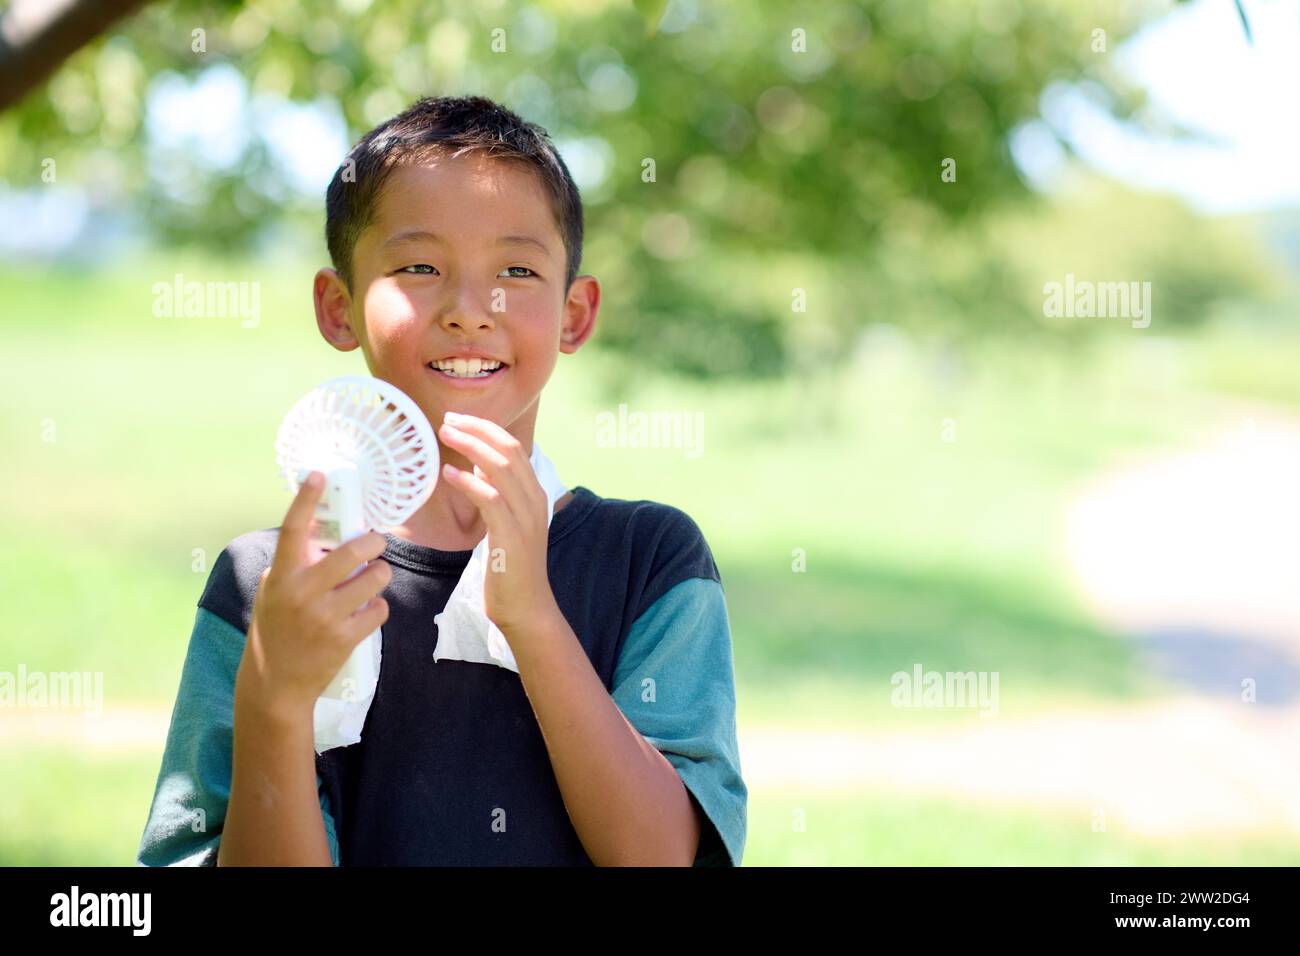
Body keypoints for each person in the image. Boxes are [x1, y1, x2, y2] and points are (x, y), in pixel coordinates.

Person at [136, 94, 746, 866]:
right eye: (419, 266)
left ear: (575, 314)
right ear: (338, 306)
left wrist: (532, 618)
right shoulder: (272, 586)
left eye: (517, 270)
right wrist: (277, 704)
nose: (469, 310)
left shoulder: (651, 561)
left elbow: (662, 857)